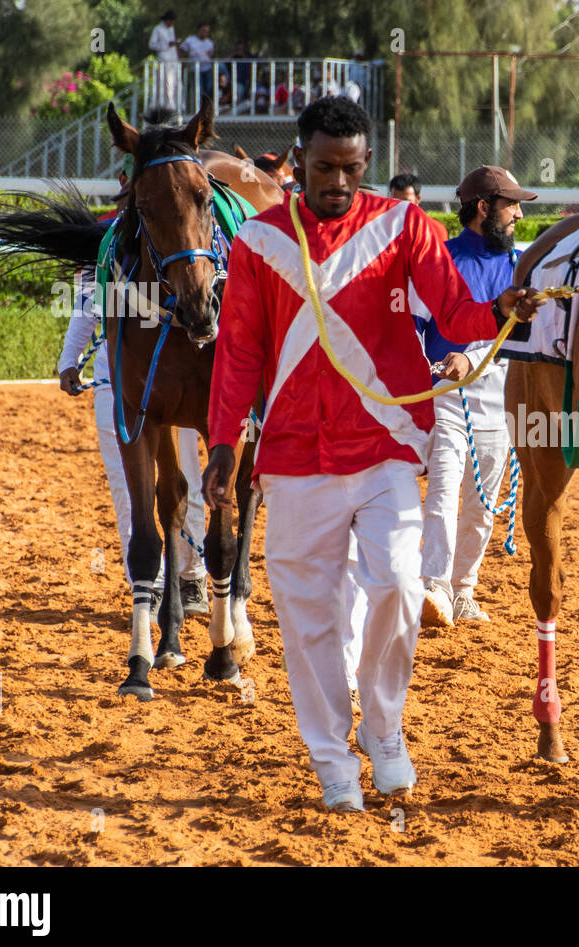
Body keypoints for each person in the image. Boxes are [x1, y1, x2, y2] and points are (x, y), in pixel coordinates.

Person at [202, 95, 537, 813]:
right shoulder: (261, 242)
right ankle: (330, 761)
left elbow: (453, 312)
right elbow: (237, 353)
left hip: (386, 445)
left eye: (351, 169)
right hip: (293, 458)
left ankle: (384, 728)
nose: (338, 183)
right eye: (324, 168)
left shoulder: (402, 226)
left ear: (366, 164)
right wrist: (224, 443)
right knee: (309, 617)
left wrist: (501, 309)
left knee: (395, 585)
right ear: (301, 162)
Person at [57, 155, 208, 615]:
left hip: (180, 379)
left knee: (190, 481)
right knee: (129, 488)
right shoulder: (108, 244)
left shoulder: (182, 236)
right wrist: (69, 360)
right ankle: (152, 584)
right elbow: (86, 303)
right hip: (117, 380)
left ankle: (193, 575)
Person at [419, 165, 535, 627]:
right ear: (483, 209)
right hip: (445, 395)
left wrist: (474, 355)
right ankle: (434, 586)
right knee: (444, 494)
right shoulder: (438, 263)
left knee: (483, 504)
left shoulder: (520, 266)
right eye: (512, 206)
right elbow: (413, 324)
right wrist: (425, 369)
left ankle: (463, 590)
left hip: (500, 398)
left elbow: (524, 334)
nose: (520, 216)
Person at [389, 172, 449, 246]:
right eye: (395, 201)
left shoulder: (435, 229)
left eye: (405, 201)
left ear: (418, 198)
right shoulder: (384, 228)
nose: (400, 205)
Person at [148, 10, 181, 115]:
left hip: (173, 59)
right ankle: (168, 107)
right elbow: (151, 44)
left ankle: (177, 106)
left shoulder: (172, 29)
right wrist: (166, 44)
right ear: (167, 20)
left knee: (176, 82)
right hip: (164, 59)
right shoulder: (158, 29)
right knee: (167, 83)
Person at [179, 22, 215, 112]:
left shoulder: (209, 43)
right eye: (203, 30)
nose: (205, 33)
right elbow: (181, 49)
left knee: (209, 89)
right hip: (196, 70)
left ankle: (208, 109)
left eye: (207, 31)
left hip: (207, 69)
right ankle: (199, 109)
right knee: (199, 90)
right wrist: (182, 62)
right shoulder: (190, 40)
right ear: (199, 30)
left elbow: (210, 56)